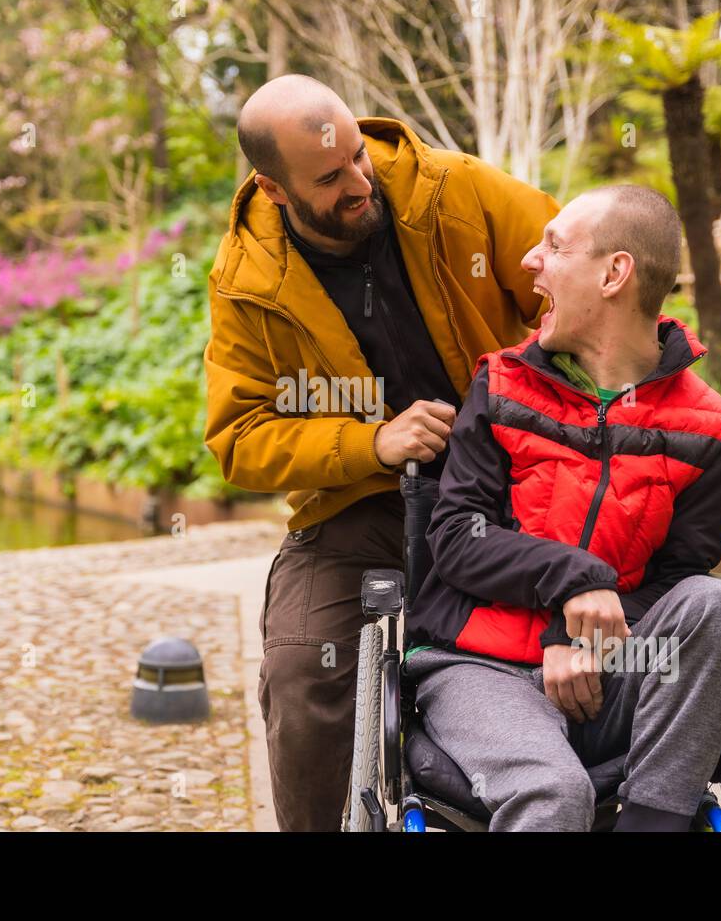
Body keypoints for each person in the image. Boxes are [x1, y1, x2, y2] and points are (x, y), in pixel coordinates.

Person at [203, 74, 558, 831]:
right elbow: (240, 437)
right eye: (330, 179)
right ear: (272, 189)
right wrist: (371, 442)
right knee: (301, 672)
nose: (360, 183)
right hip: (359, 508)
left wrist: (522, 414)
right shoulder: (247, 283)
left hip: (513, 491)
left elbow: (587, 293)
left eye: (360, 158)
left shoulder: (458, 191)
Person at [402, 184, 721, 831]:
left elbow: (679, 582)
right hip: (480, 665)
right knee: (555, 795)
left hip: (613, 674)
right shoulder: (502, 385)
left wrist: (581, 641)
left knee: (720, 603)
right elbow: (455, 536)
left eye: (554, 246)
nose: (530, 262)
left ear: (615, 273)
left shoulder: (710, 430)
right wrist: (574, 586)